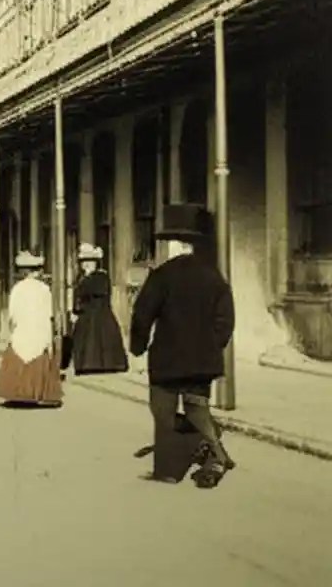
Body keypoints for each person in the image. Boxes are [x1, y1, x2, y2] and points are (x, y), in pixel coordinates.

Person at [130, 203, 235, 488]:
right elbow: (225, 320)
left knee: (162, 412)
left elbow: (143, 314)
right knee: (197, 407)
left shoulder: (162, 276)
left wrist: (138, 346)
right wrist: (212, 346)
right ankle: (212, 448)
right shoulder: (215, 278)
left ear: (176, 244)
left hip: (167, 358)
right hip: (202, 360)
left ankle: (168, 470)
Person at [0, 251, 63, 407]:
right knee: (38, 353)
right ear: (37, 271)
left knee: (20, 352)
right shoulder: (44, 289)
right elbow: (49, 313)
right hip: (39, 327)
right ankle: (36, 391)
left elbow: (12, 313)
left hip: (23, 327)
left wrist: (11, 328)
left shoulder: (18, 288)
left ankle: (17, 391)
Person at [64, 243, 128, 375]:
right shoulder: (83, 278)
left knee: (98, 341)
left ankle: (101, 363)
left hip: (99, 316)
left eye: (90, 261)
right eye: (84, 262)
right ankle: (87, 364)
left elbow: (94, 293)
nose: (86, 265)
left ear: (95, 263)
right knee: (87, 342)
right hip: (86, 316)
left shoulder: (100, 277)